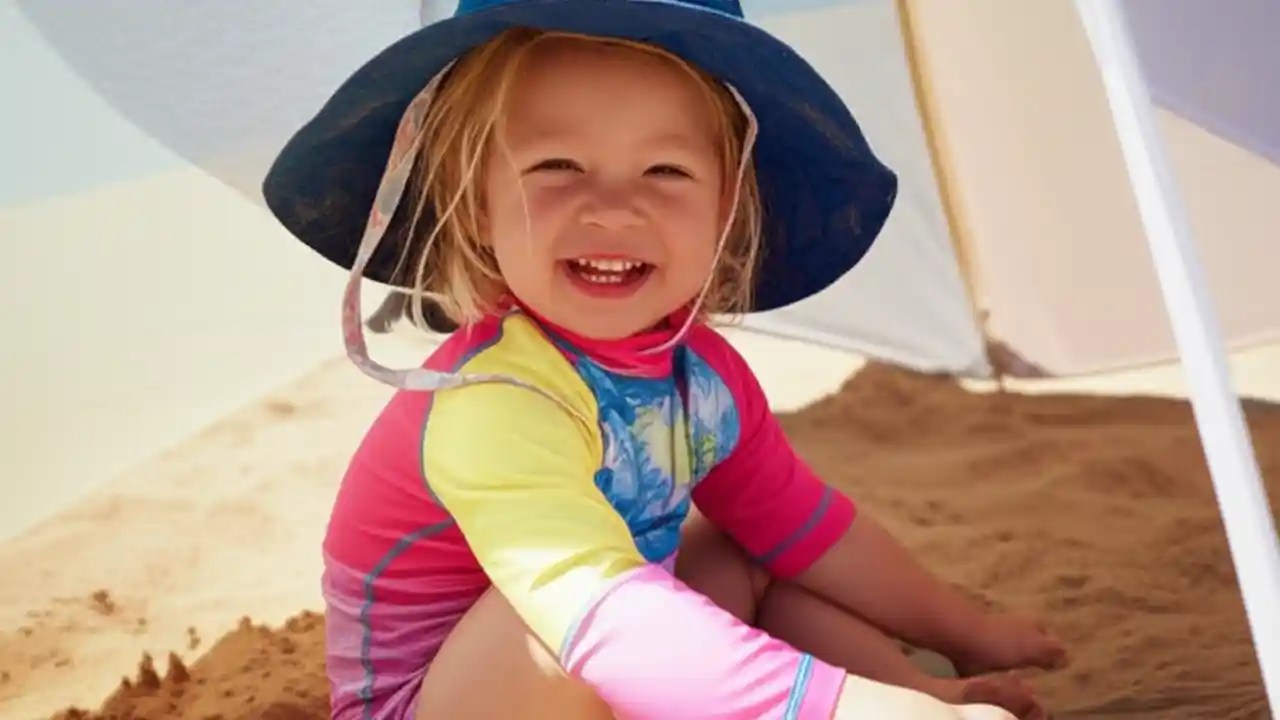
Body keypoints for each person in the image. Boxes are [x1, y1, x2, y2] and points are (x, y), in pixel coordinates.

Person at [262, 2, 1066, 718]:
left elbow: (807, 527)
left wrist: (965, 632)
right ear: (476, 205)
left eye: (667, 171)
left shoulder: (702, 374)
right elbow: (604, 616)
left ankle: (920, 693)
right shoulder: (493, 397)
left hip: (615, 645)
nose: (613, 207)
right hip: (467, 689)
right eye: (556, 167)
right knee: (548, 613)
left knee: (748, 544)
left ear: (728, 208)